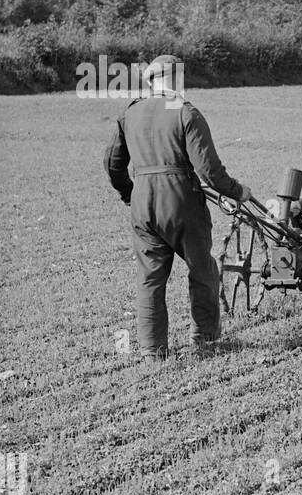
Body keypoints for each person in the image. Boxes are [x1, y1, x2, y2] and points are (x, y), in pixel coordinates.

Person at [104, 55, 254, 362]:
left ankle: (152, 351)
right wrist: (238, 191)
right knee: (202, 269)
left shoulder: (129, 113)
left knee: (150, 277)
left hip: (143, 203)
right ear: (174, 77)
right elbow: (209, 171)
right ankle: (206, 341)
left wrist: (129, 194)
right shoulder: (186, 112)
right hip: (182, 200)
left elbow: (112, 165)